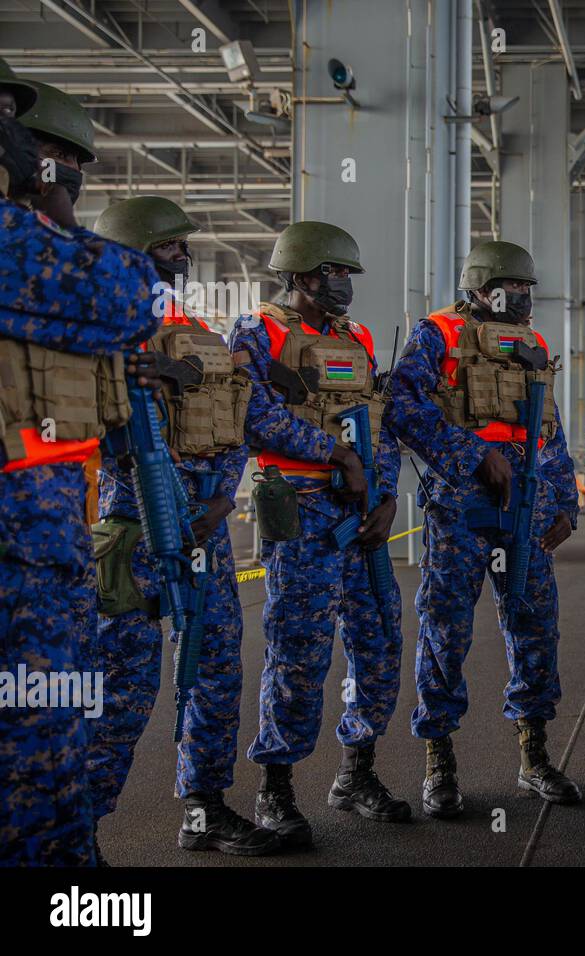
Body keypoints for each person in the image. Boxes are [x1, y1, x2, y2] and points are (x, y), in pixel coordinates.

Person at [86, 196, 279, 858]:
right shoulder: (89, 331)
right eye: (166, 248)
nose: (180, 258)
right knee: (122, 680)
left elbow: (230, 423)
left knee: (216, 664)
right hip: (133, 529)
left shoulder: (197, 331)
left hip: (204, 529)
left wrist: (220, 503)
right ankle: (72, 833)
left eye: (180, 248)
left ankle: (205, 808)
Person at [1, 91, 161, 865]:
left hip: (50, 559)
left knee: (52, 753)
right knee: (31, 766)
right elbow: (132, 295)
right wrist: (47, 209)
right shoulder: (17, 245)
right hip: (21, 566)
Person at [385, 239, 581, 817]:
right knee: (446, 631)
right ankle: (439, 763)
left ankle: (535, 755)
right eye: (514, 286)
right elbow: (402, 405)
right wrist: (473, 455)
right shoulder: (438, 334)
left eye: (528, 287)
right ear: (482, 289)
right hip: (460, 509)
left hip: (526, 509)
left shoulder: (534, 344)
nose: (524, 297)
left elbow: (551, 428)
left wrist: (565, 501)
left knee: (536, 626)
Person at [230, 221, 406, 849]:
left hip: (360, 516)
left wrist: (382, 492)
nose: (344, 286)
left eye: (348, 275)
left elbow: (379, 421)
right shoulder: (259, 330)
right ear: (301, 275)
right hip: (303, 512)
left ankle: (355, 774)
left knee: (380, 643)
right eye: (334, 274)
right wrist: (334, 454)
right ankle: (275, 789)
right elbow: (252, 413)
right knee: (299, 654)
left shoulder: (356, 338)